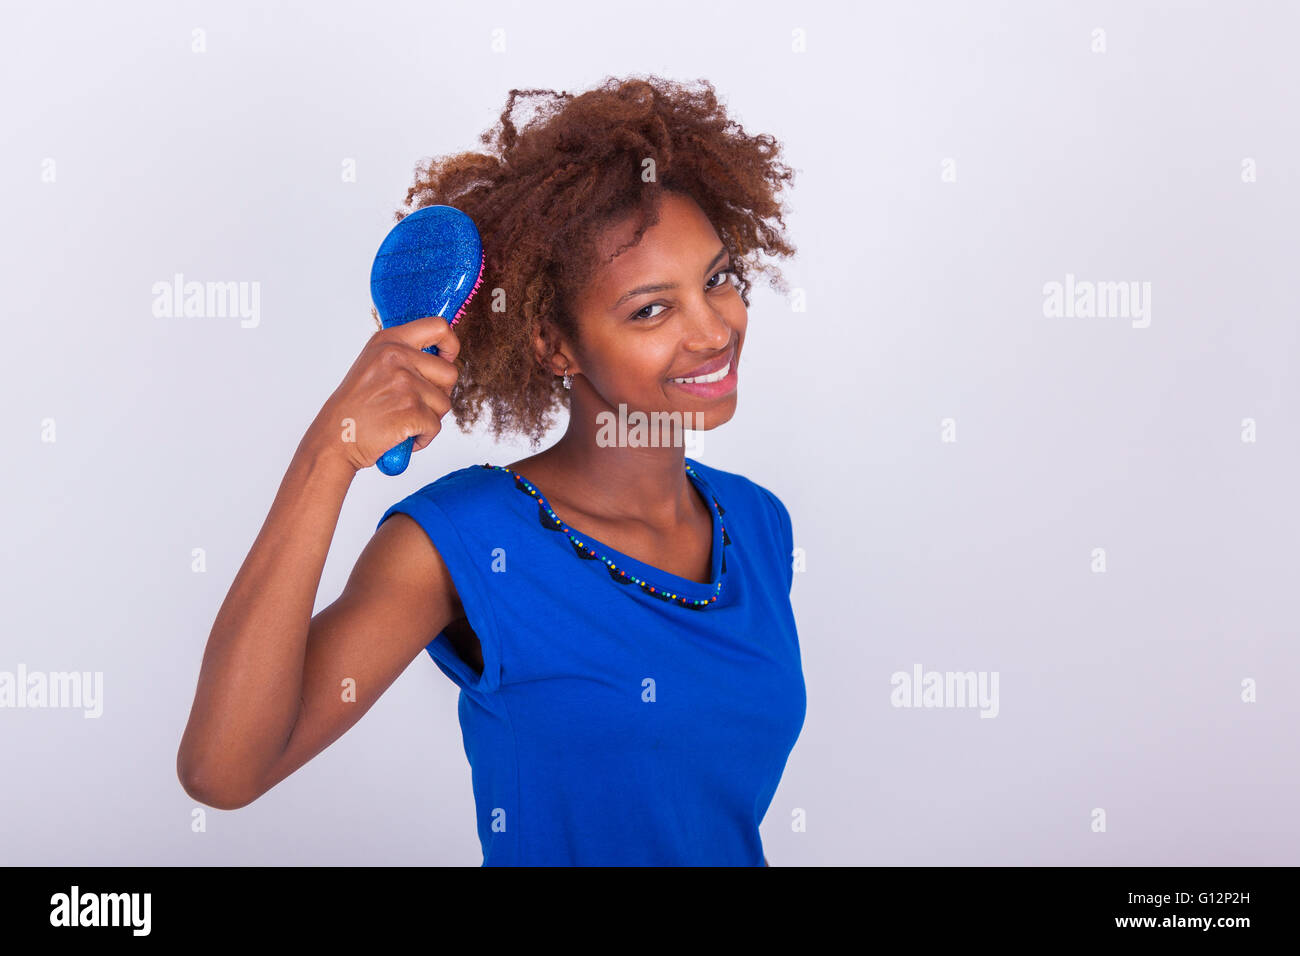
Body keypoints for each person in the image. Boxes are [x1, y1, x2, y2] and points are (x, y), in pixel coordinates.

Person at [177, 75, 804, 866]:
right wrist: (327, 453)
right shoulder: (465, 539)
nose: (715, 330)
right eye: (651, 309)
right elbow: (223, 769)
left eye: (717, 279)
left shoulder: (757, 527)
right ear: (553, 344)